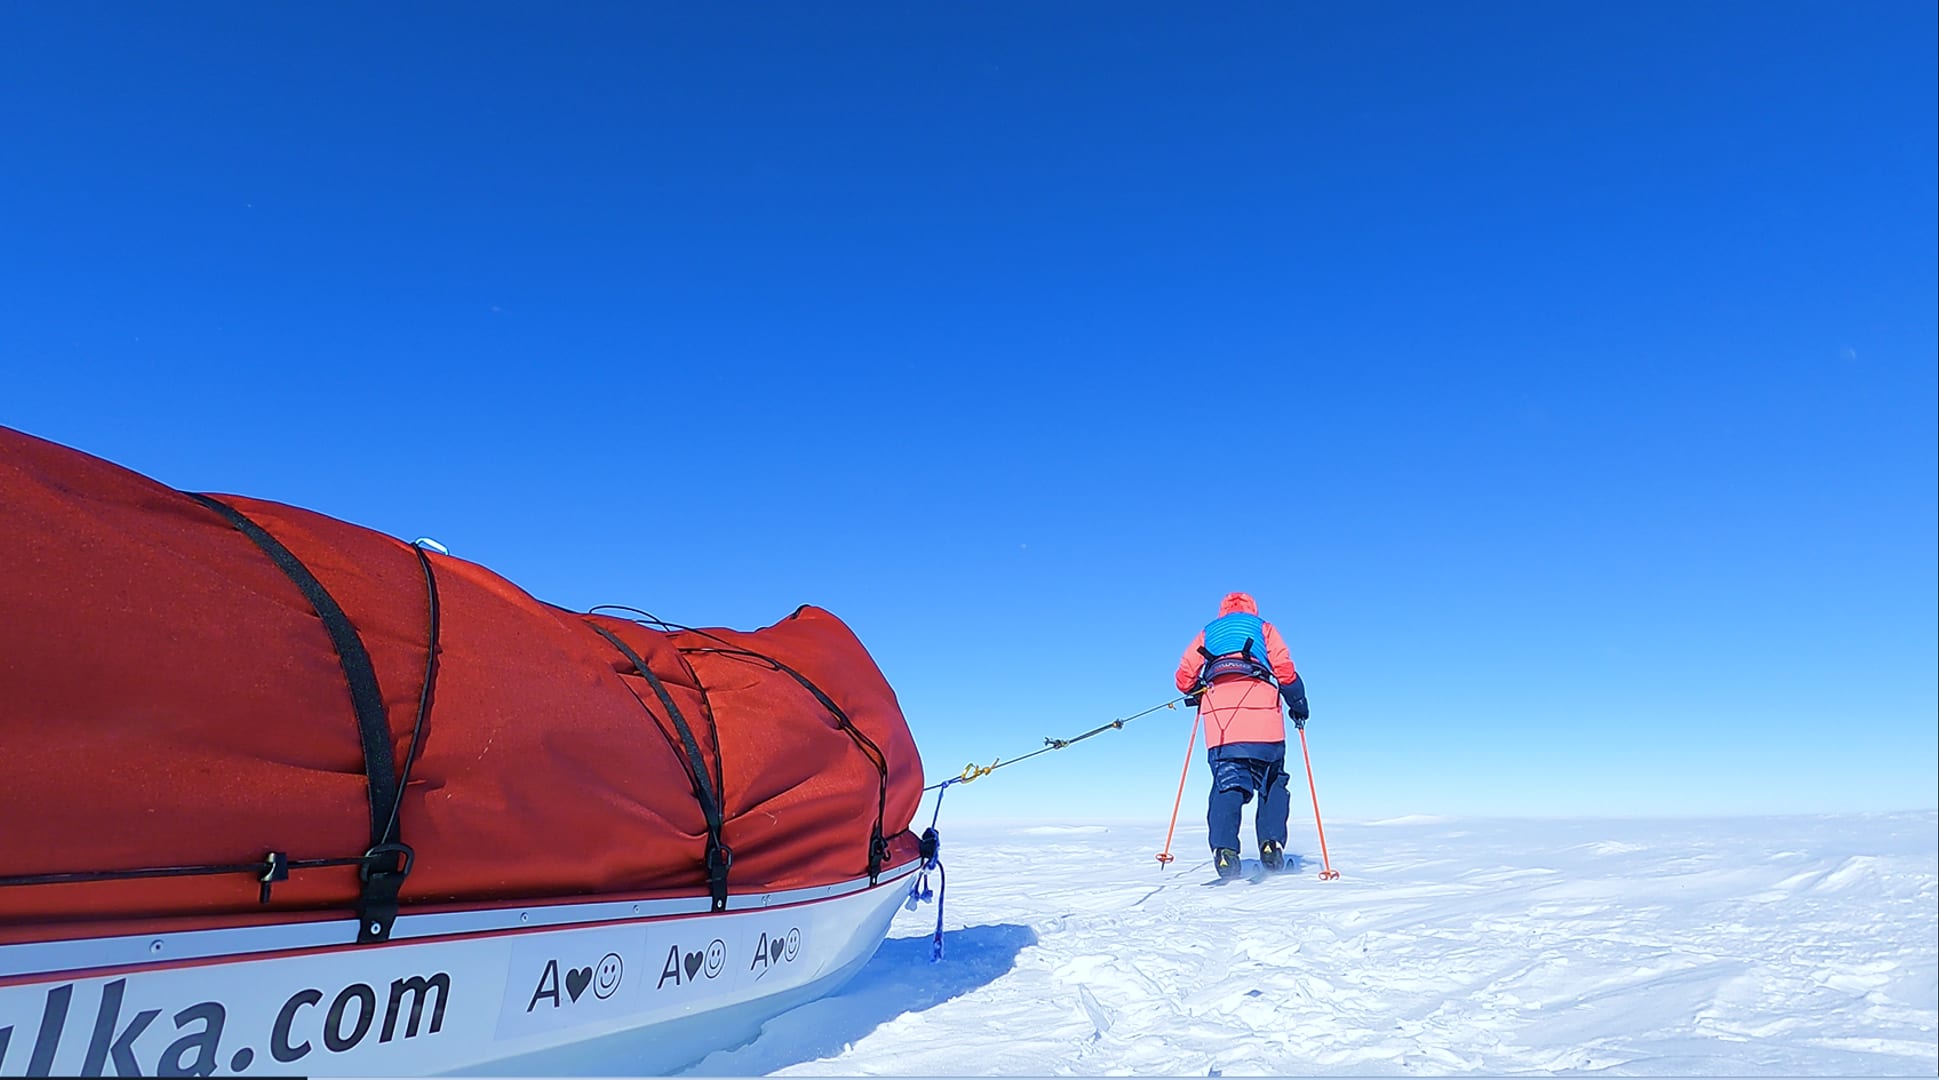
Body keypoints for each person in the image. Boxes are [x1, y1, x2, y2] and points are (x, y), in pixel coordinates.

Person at [1174, 591, 1309, 878]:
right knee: (1273, 781)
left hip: (1220, 720)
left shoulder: (1208, 632)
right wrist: (1298, 704)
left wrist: (1196, 689)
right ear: (1252, 609)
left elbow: (1184, 677)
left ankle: (1225, 851)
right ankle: (1271, 845)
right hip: (1264, 716)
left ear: (1223, 611)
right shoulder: (1264, 628)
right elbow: (1284, 670)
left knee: (1228, 782)